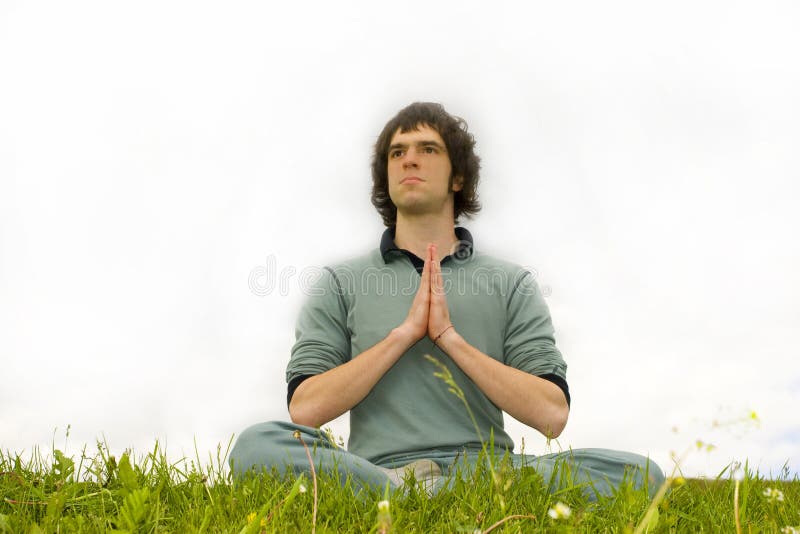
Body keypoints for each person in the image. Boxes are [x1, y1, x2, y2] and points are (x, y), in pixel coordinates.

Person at [229, 102, 664, 498]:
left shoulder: (510, 283)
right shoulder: (339, 283)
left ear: (458, 177)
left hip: (491, 471)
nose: (409, 159)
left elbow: (552, 415)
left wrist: (449, 338)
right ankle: (400, 492)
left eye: (427, 149)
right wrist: (403, 335)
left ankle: (425, 500)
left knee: (641, 475)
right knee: (256, 446)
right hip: (378, 471)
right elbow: (305, 407)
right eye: (396, 153)